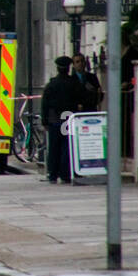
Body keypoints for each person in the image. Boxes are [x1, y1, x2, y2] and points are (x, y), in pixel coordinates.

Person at [41, 56, 84, 184]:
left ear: (58, 68)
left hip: (55, 120)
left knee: (54, 147)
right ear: (68, 68)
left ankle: (53, 174)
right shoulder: (74, 83)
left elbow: (45, 103)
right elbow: (81, 98)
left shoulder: (52, 84)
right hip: (69, 119)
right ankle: (65, 173)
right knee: (67, 147)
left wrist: (45, 121)